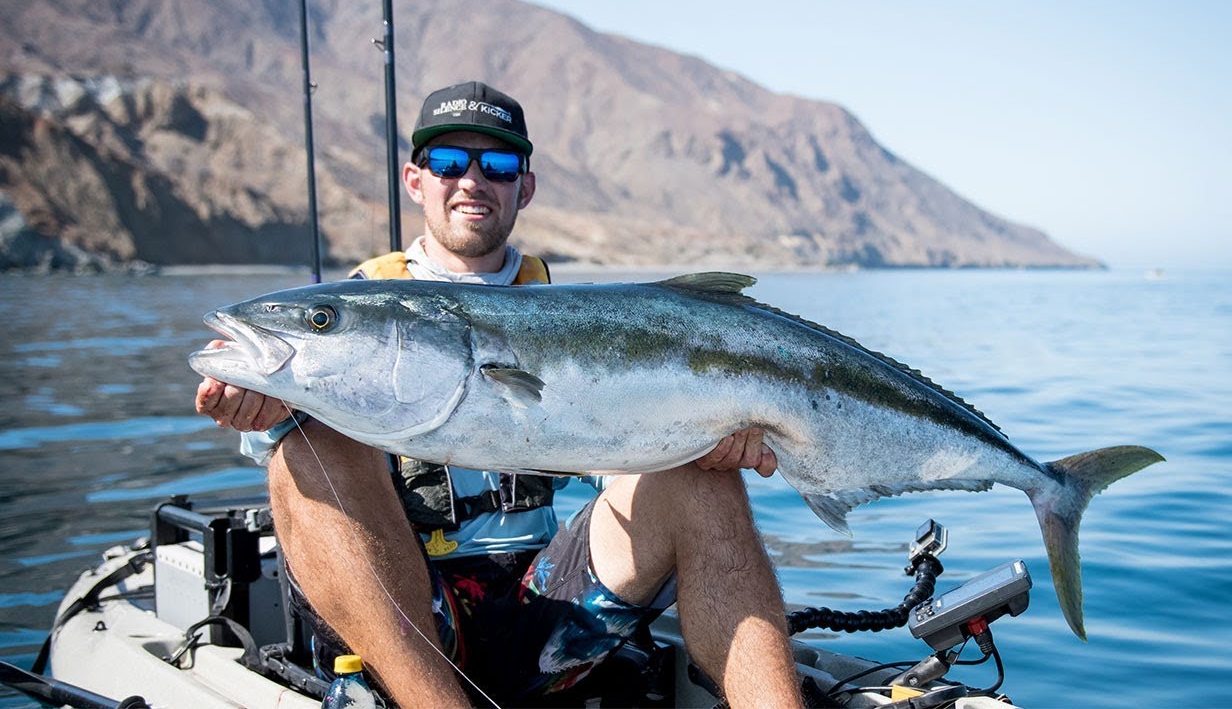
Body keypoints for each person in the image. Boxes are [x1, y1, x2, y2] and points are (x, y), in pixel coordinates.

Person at [195, 81, 804, 708]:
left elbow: (613, 467)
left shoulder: (577, 316)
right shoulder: (353, 309)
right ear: (415, 180)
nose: (472, 180)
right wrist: (262, 407)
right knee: (305, 450)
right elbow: (274, 412)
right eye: (449, 163)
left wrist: (700, 438)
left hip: (547, 614)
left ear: (525, 187)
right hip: (408, 627)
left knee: (700, 477)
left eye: (500, 165)